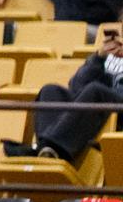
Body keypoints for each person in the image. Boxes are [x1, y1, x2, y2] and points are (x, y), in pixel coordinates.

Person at [7, 24, 123, 163]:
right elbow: (77, 86)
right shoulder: (112, 58)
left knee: (96, 91)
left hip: (117, 111)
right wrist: (99, 57)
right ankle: (46, 152)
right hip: (102, 109)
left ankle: (49, 149)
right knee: (51, 91)